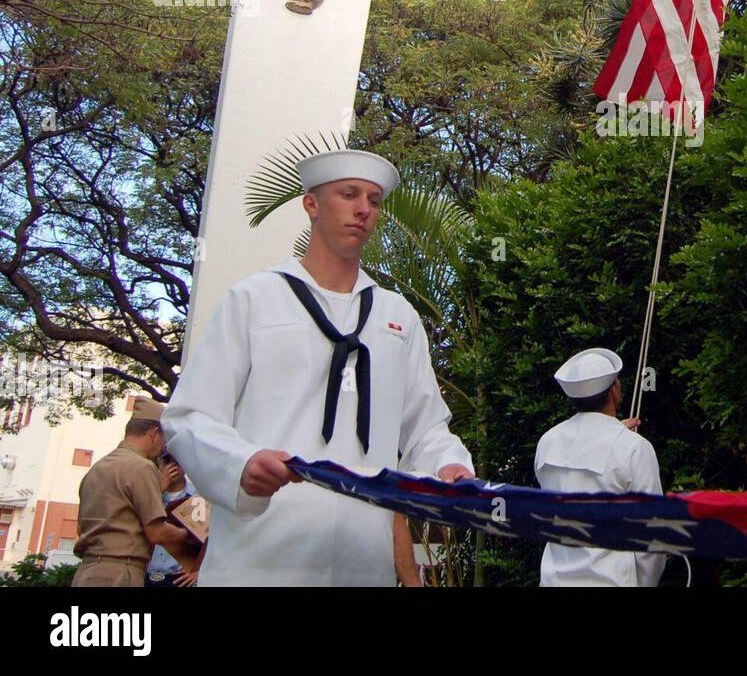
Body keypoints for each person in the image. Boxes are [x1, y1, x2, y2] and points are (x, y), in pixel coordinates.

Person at [163, 149, 474, 586]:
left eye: (374, 199)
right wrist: (241, 462)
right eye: (348, 194)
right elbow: (190, 416)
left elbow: (425, 427)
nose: (363, 209)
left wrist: (448, 467)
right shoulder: (253, 301)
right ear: (311, 204)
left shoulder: (398, 317)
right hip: (261, 559)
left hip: (363, 561)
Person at [534, 348, 665, 586]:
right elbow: (652, 536)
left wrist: (613, 436)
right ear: (614, 390)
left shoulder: (547, 442)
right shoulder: (635, 448)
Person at [72, 399, 195, 588]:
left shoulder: (97, 468)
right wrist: (190, 536)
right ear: (154, 434)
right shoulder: (142, 468)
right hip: (121, 572)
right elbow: (157, 532)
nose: (163, 448)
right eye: (164, 440)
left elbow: (81, 528)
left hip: (87, 571)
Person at [145, 456, 200, 587]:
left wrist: (198, 570)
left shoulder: (197, 498)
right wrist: (158, 490)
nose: (173, 466)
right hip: (146, 575)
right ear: (160, 463)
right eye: (168, 460)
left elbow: (209, 538)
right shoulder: (149, 494)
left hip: (178, 578)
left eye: (178, 461)